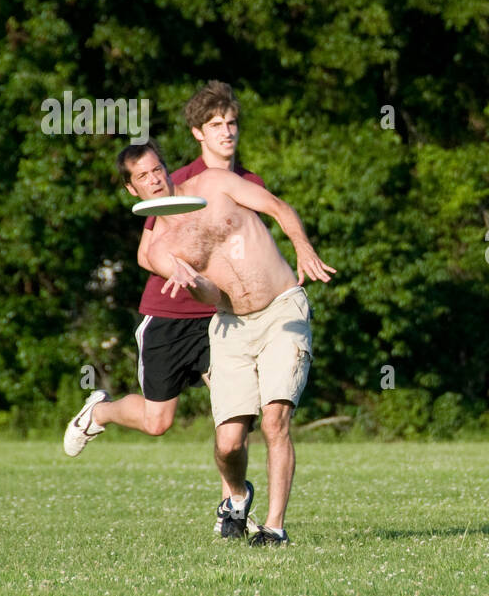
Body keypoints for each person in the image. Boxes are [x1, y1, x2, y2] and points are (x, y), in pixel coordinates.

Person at [76, 139, 334, 546]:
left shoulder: (214, 183)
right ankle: (236, 495)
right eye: (142, 176)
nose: (154, 179)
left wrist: (302, 247)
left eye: (157, 168)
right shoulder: (161, 248)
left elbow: (279, 208)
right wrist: (196, 286)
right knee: (229, 443)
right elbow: (212, 298)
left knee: (273, 419)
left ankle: (275, 528)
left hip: (283, 308)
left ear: (167, 167)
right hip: (231, 324)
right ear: (133, 190)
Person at [63, 82, 269, 539]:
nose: (226, 132)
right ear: (199, 133)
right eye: (217, 125)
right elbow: (143, 254)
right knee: (158, 423)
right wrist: (176, 267)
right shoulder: (183, 183)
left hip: (221, 320)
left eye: (232, 123)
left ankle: (232, 506)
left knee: (230, 416)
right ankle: (99, 413)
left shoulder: (249, 183)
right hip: (169, 319)